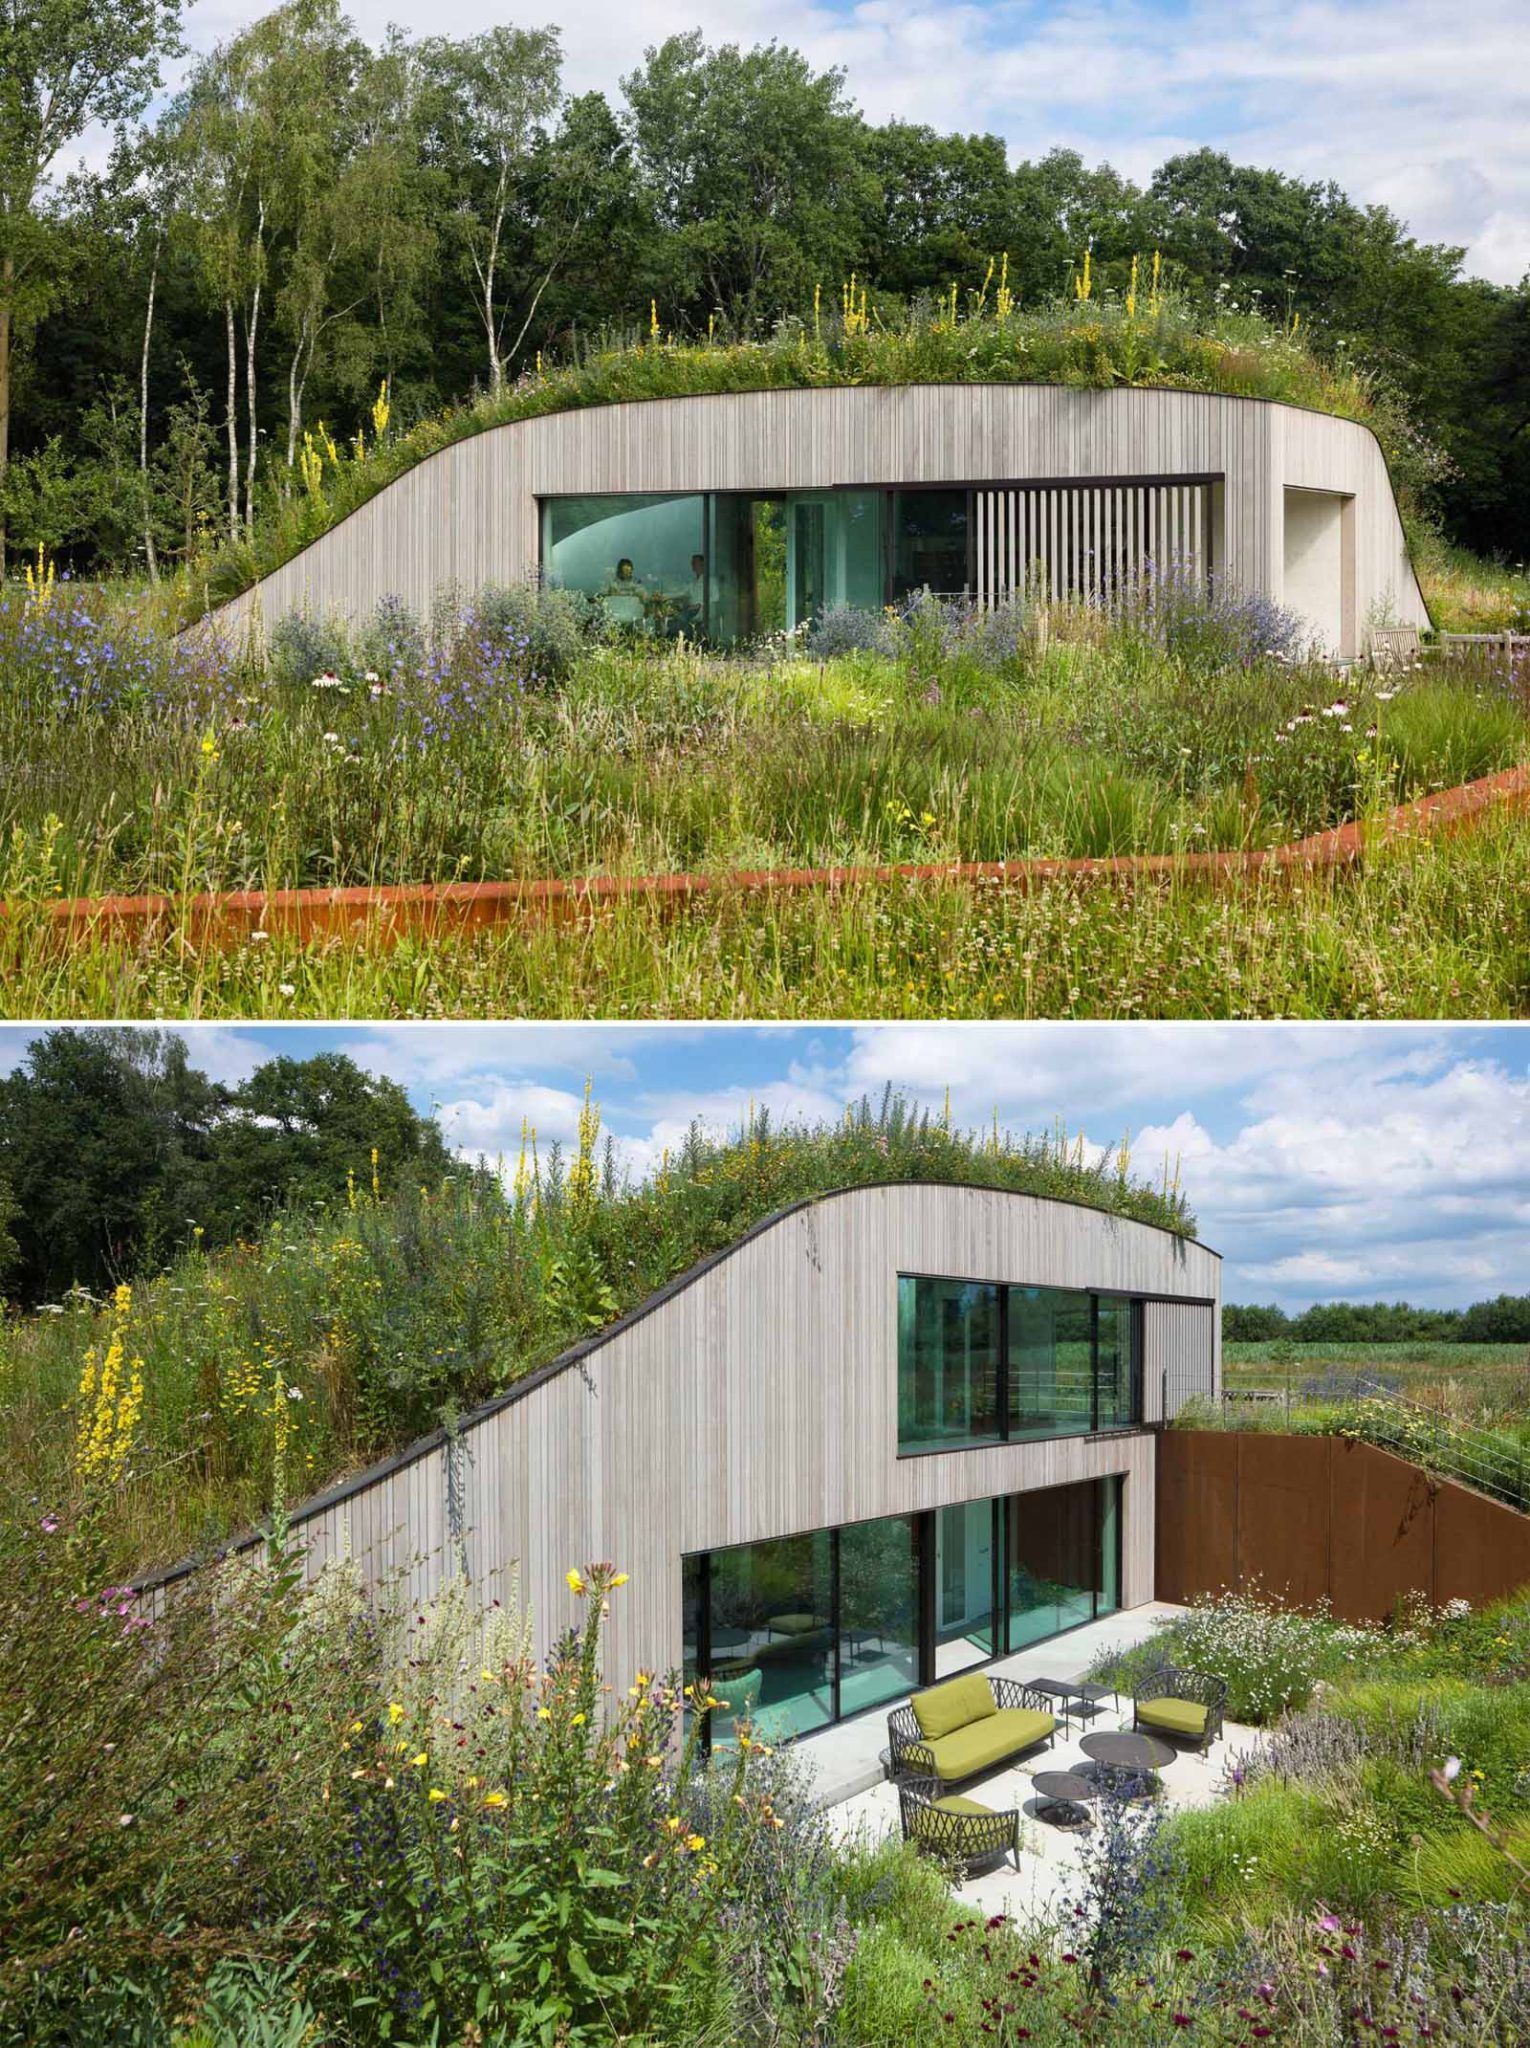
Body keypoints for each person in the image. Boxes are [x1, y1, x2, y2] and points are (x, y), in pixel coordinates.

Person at [604, 556, 646, 626]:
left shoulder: (636, 582)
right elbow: (607, 597)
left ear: (632, 570)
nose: (627, 574)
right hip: (615, 619)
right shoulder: (613, 583)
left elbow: (643, 596)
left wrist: (640, 594)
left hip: (633, 618)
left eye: (629, 571)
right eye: (624, 571)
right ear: (620, 571)